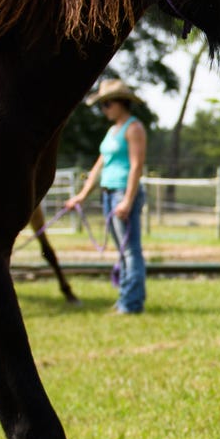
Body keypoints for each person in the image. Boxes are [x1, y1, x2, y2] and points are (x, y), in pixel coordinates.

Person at [65, 79, 148, 315]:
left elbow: (136, 166)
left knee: (130, 250)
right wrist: (81, 196)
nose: (104, 109)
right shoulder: (112, 131)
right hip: (108, 193)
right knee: (121, 250)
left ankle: (132, 304)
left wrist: (128, 200)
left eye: (107, 104)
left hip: (123, 193)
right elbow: (98, 167)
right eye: (102, 105)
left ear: (121, 103)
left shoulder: (134, 128)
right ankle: (125, 299)